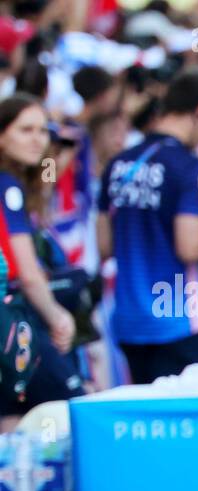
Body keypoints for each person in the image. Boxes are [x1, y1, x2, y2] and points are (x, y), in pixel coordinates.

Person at [97, 70, 198, 384]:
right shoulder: (189, 168)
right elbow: (190, 246)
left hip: (129, 320)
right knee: (182, 423)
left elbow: (104, 246)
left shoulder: (118, 164)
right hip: (179, 319)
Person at [0, 94, 84, 424]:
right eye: (25, 130)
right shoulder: (8, 187)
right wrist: (57, 316)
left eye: (42, 130)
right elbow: (28, 271)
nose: (38, 139)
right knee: (74, 411)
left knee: (12, 418)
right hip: (12, 320)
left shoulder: (18, 184)